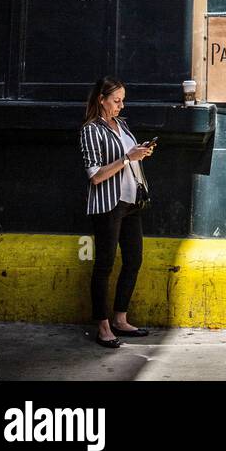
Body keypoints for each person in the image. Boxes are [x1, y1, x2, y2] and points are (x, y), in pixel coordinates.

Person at [80, 76, 156, 348]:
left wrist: (139, 153)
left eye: (123, 101)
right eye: (116, 101)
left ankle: (120, 319)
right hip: (108, 205)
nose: (121, 106)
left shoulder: (122, 125)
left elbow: (128, 160)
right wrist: (127, 158)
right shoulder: (91, 131)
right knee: (104, 265)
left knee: (134, 260)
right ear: (101, 99)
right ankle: (102, 326)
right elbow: (96, 176)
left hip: (131, 202)